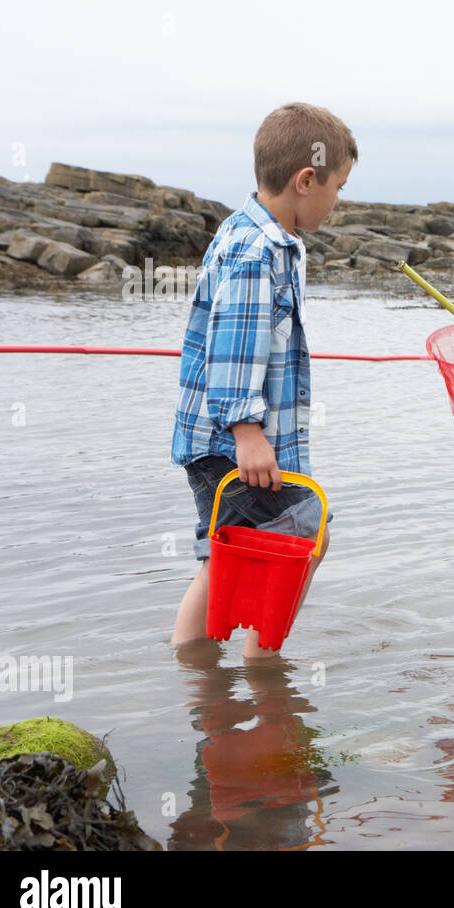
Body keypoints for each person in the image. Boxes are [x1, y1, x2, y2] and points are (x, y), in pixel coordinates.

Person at [170, 102, 357, 658]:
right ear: (306, 180)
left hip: (219, 439)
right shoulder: (258, 251)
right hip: (233, 442)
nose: (338, 200)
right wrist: (249, 433)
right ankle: (260, 660)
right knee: (306, 536)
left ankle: (201, 671)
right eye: (338, 187)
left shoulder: (252, 233)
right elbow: (235, 346)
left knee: (222, 554)